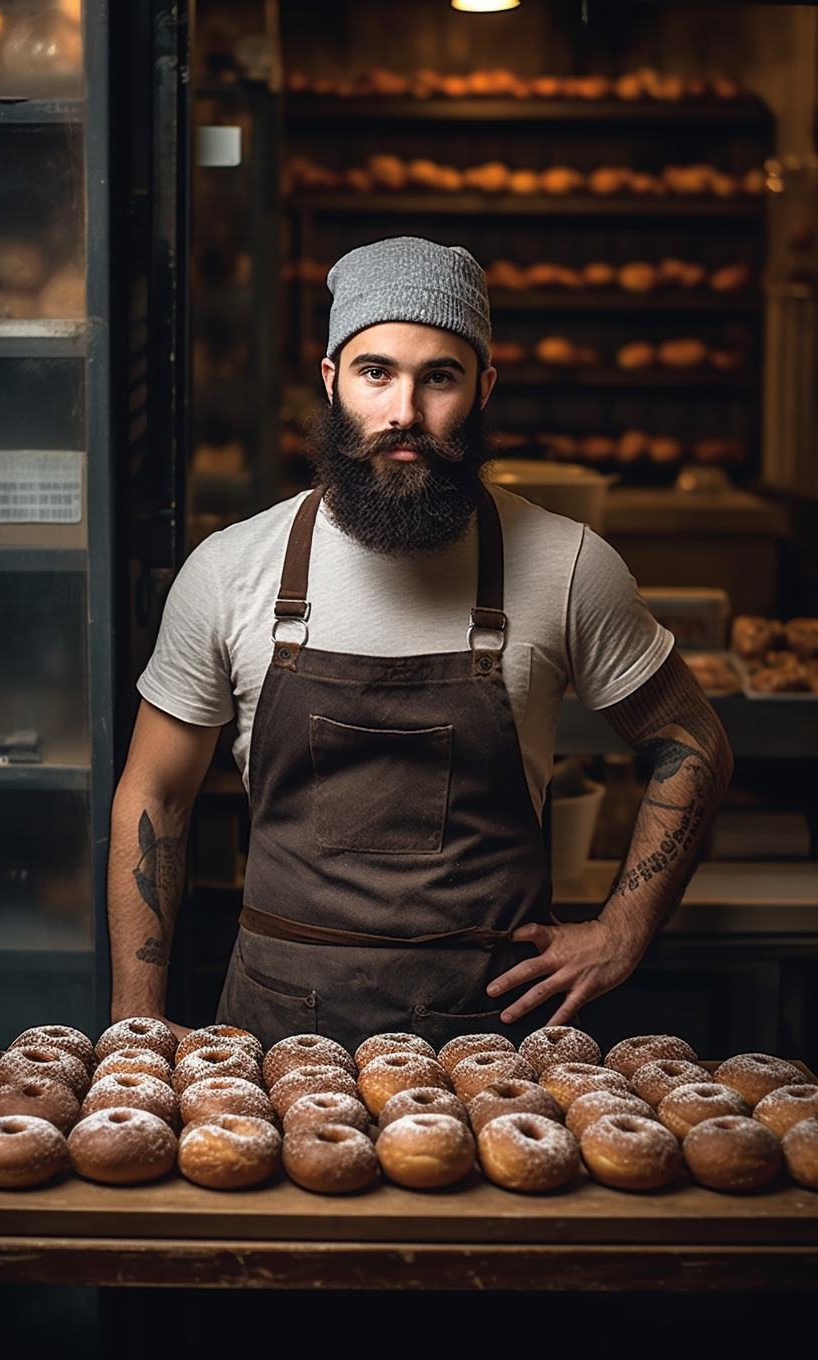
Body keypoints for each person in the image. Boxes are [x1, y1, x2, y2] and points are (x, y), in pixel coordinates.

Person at [107, 235, 733, 1051]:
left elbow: (695, 744)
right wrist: (135, 1017)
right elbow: (155, 792)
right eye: (376, 373)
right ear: (332, 381)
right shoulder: (233, 570)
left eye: (439, 376)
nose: (404, 412)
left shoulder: (567, 565)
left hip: (494, 1037)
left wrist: (620, 932)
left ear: (482, 391)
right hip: (276, 1037)